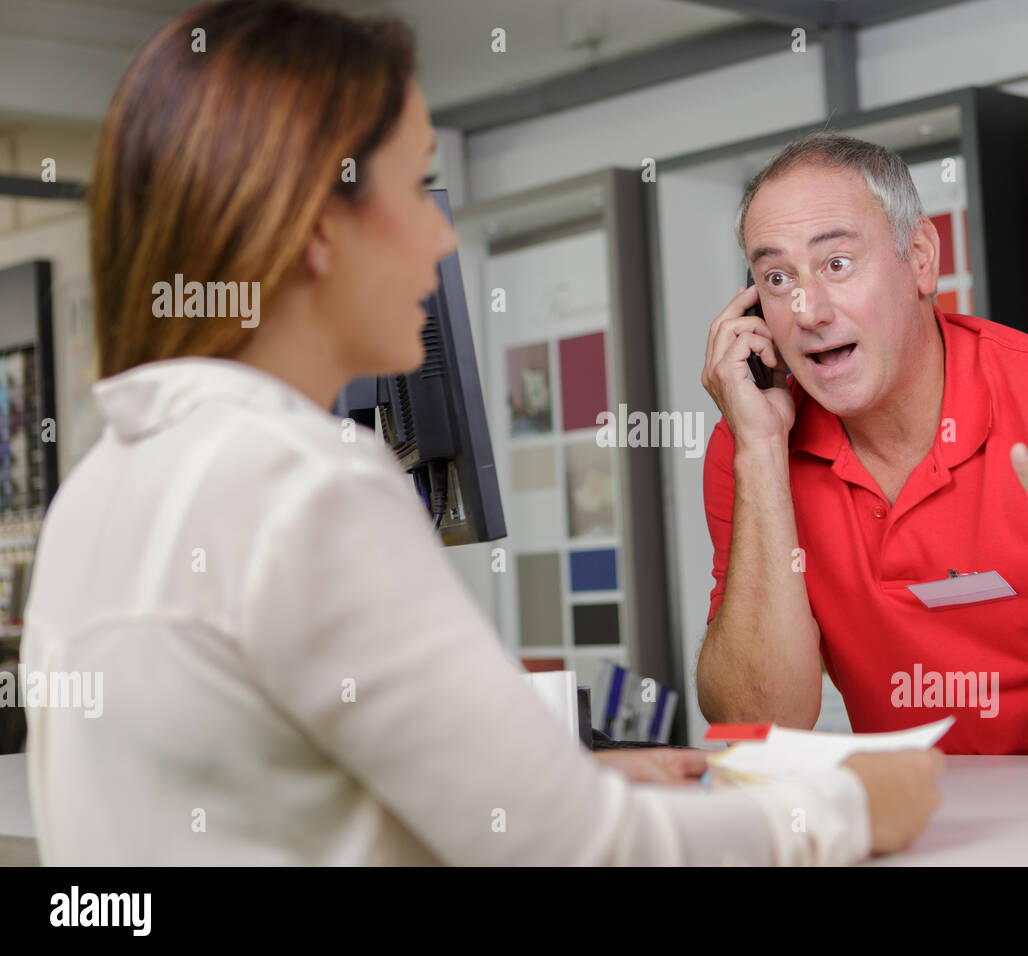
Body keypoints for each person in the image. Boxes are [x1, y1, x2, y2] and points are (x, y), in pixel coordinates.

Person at [19, 0, 942, 865]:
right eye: (416, 189)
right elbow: (589, 853)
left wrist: (550, 782)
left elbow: (275, 806)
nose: (441, 238)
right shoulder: (299, 485)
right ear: (314, 230)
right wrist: (853, 806)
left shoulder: (106, 483)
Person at [697, 133, 1028, 756]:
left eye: (836, 264)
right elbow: (757, 727)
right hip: (930, 835)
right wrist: (759, 457)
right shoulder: (754, 441)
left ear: (920, 257)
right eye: (778, 278)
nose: (807, 310)